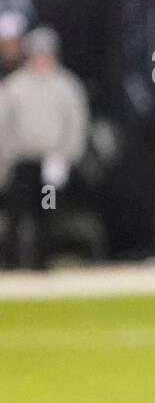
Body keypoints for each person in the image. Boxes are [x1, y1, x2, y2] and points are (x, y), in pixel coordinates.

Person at [0, 26, 89, 269]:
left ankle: (43, 261)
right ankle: (13, 263)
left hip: (51, 164)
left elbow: (76, 123)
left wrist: (66, 156)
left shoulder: (66, 86)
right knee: (18, 214)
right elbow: (4, 126)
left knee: (47, 212)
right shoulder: (14, 86)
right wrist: (5, 160)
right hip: (22, 162)